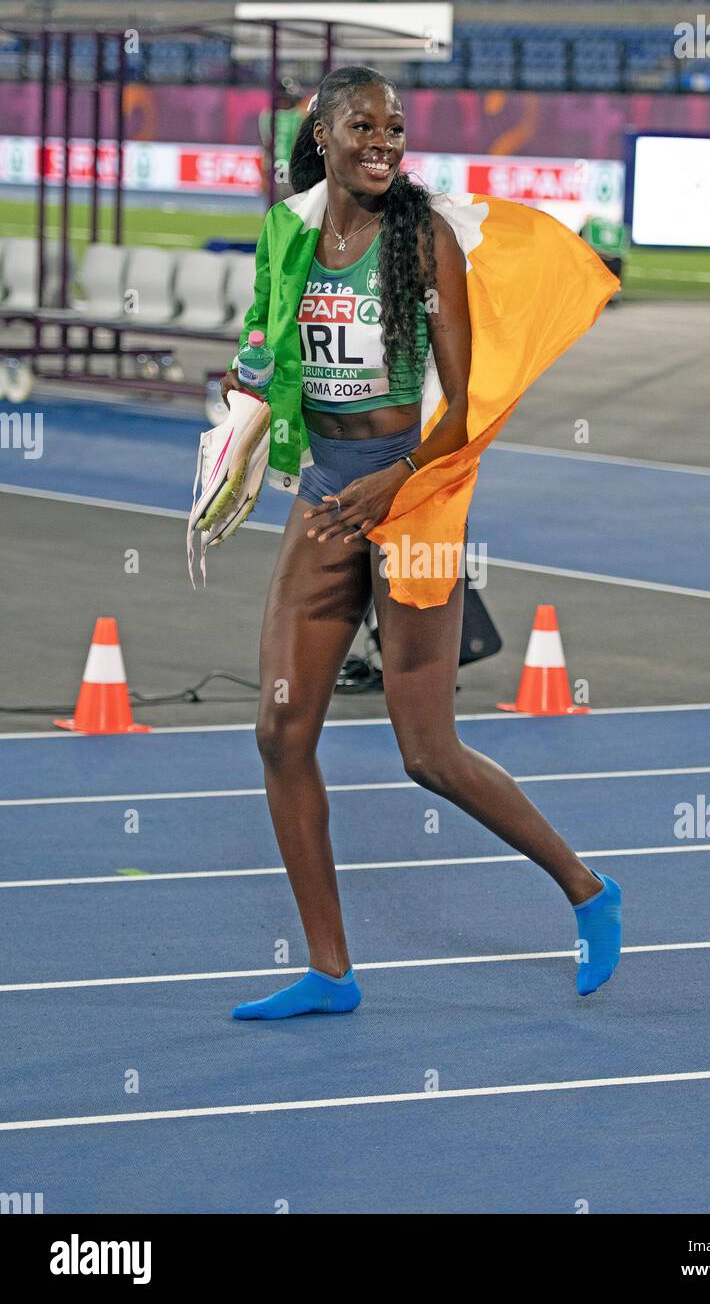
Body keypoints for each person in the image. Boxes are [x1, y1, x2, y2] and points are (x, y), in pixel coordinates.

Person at [221, 65, 621, 1021]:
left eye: (394, 129)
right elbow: (263, 347)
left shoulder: (423, 237)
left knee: (427, 750)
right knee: (280, 730)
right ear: (321, 132)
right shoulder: (289, 233)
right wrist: (236, 422)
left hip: (419, 494)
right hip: (326, 491)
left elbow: (465, 403)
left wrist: (392, 484)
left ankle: (587, 889)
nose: (384, 143)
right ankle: (330, 971)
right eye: (364, 126)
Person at [258, 75, 305, 204]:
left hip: (275, 172)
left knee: (274, 217)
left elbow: (266, 147)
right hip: (292, 173)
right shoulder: (299, 116)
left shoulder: (266, 115)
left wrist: (264, 175)